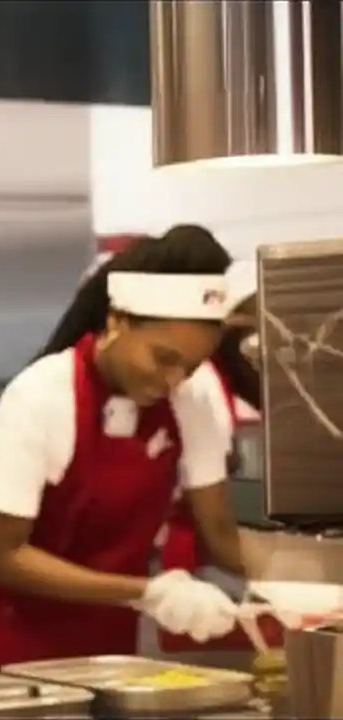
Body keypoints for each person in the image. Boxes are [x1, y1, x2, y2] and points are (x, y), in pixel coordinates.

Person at [0, 226, 248, 667]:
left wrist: (293, 591)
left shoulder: (192, 399)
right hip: (18, 662)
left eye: (190, 367)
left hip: (115, 661)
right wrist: (147, 592)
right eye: (163, 358)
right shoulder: (41, 394)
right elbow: (4, 556)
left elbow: (219, 529)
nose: (173, 380)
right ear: (116, 321)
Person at [157, 258, 274, 652]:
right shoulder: (202, 384)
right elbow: (216, 525)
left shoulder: (235, 388)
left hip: (226, 566)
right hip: (200, 575)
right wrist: (292, 578)